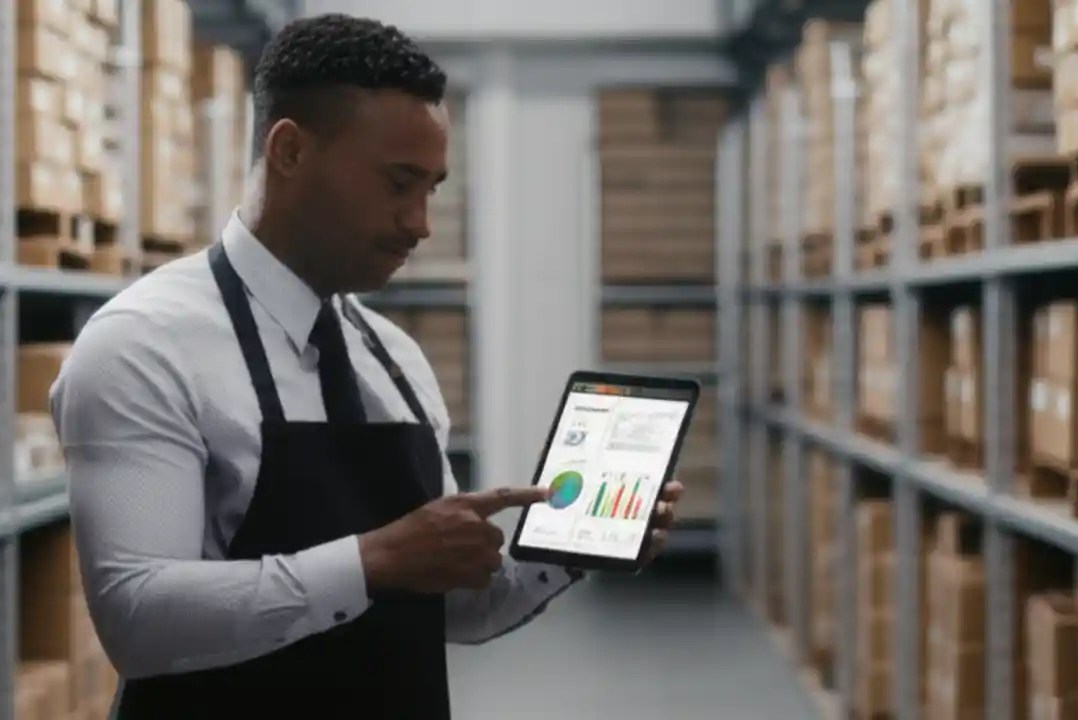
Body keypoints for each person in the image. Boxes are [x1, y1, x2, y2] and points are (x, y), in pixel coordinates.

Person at [50, 12, 685, 719]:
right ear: (289, 151)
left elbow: (454, 610)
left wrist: (574, 549)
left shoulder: (394, 360)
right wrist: (376, 560)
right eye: (397, 183)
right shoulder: (144, 345)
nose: (420, 223)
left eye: (432, 189)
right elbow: (136, 618)